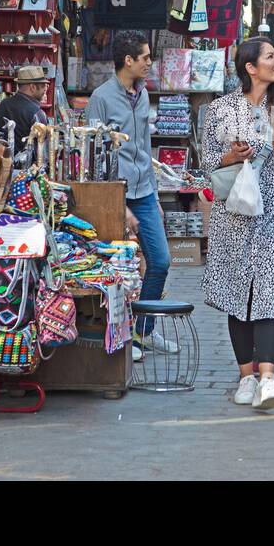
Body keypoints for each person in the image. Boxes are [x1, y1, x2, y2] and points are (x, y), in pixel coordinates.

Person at [201, 39, 274, 410]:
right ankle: (246, 375)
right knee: (238, 292)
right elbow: (206, 163)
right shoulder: (220, 109)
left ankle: (267, 378)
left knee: (269, 288)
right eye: (271, 56)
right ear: (250, 67)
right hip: (233, 212)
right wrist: (230, 154)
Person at [87, 33, 172, 360]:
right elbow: (94, 156)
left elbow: (145, 149)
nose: (150, 62)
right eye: (146, 57)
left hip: (146, 192)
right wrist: (118, 205)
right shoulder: (101, 97)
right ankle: (121, 339)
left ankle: (142, 332)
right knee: (118, 269)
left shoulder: (143, 93)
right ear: (128, 61)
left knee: (160, 262)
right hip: (114, 195)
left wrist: (156, 199)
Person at [0, 66, 50, 157]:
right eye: (43, 85)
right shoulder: (36, 112)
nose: (45, 89)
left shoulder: (3, 104)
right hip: (27, 168)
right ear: (32, 87)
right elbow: (43, 152)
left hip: (2, 164)